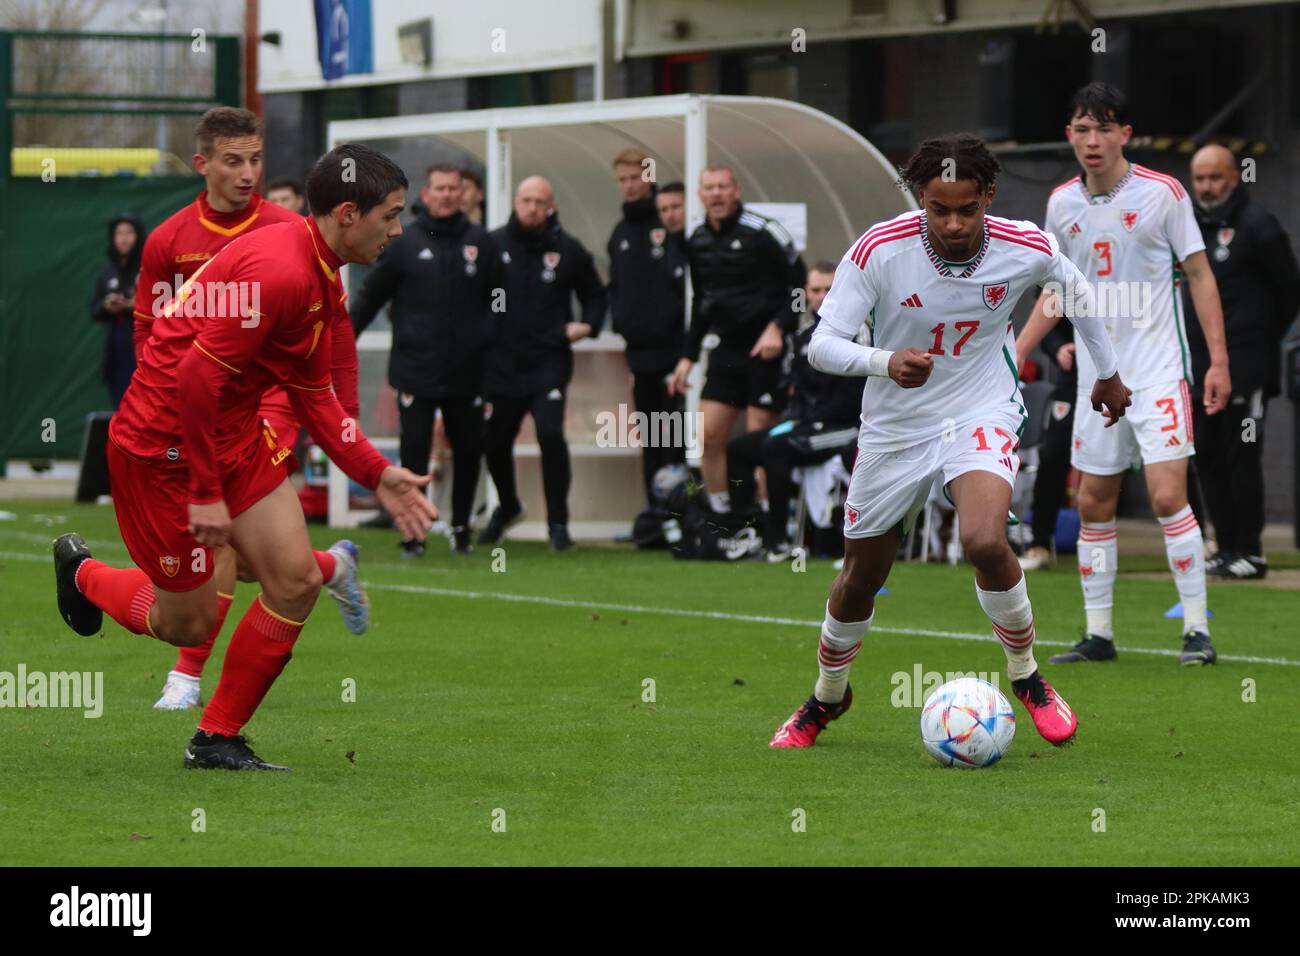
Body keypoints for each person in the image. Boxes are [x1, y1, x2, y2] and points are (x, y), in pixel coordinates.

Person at [53, 144, 437, 771]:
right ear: (347, 212)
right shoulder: (282, 272)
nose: (398, 230)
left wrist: (378, 472)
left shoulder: (318, 264)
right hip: (161, 452)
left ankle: (215, 739)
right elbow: (196, 379)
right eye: (391, 216)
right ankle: (84, 577)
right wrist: (205, 490)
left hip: (229, 436)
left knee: (297, 580)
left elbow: (313, 390)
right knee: (190, 624)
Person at [769, 133, 1130, 751]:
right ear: (920, 199)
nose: (955, 223)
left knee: (985, 540)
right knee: (860, 576)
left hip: (979, 408)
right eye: (940, 209)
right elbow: (821, 347)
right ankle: (829, 695)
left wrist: (1108, 371)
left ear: (988, 196)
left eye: (968, 208)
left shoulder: (1024, 244)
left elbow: (1078, 293)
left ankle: (1028, 678)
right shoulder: (879, 250)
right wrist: (885, 362)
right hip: (895, 426)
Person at [132, 106, 362, 712]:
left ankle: (188, 683)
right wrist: (156, 410)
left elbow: (334, 331)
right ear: (203, 164)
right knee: (256, 557)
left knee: (230, 543)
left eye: (256, 160)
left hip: (270, 404)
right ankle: (333, 569)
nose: (247, 174)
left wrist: (347, 417)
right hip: (194, 400)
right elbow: (151, 333)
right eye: (233, 161)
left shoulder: (289, 231)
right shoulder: (168, 241)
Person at [1016, 83, 1230, 666]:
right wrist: (1015, 351)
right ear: (1069, 135)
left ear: (1125, 135)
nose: (1093, 141)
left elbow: (1201, 275)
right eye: (1082, 129)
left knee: (1166, 496)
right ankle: (1100, 635)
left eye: (1104, 129)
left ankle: (1195, 631)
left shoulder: (1165, 194)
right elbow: (1055, 291)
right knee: (1093, 502)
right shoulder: (1061, 205)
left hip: (1160, 372)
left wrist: (1218, 360)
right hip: (1097, 378)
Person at [351, 163, 502, 556]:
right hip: (415, 370)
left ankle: (461, 528)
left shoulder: (482, 242)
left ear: (465, 193)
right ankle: (413, 534)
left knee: (469, 451)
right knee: (414, 453)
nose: (448, 194)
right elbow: (370, 297)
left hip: (467, 372)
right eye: (440, 188)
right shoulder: (404, 242)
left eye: (455, 188)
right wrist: (342, 339)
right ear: (427, 194)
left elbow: (500, 300)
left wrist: (491, 338)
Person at [1184, 143, 1300, 579]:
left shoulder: (1258, 226)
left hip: (1246, 372)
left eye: (1216, 177)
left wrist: (1258, 343)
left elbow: (1290, 290)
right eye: (1200, 179)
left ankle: (1251, 551)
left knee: (1243, 453)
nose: (1207, 187)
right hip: (1198, 369)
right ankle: (1226, 546)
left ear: (1235, 176)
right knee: (1208, 456)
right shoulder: (1191, 227)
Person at [478, 176, 606, 551]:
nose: (532, 208)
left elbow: (596, 295)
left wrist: (587, 326)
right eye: (526, 200)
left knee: (550, 436)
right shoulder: (493, 244)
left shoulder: (568, 250)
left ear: (552, 207)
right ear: (516, 202)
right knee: (494, 440)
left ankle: (559, 525)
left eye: (540, 202)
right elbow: (471, 294)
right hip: (502, 362)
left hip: (548, 360)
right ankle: (509, 506)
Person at [669, 166, 806, 515]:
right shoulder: (696, 240)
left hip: (766, 348)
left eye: (722, 187)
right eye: (709, 188)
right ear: (700, 195)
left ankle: (769, 518)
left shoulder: (764, 232)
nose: (716, 194)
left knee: (760, 436)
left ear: (736, 190)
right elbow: (702, 301)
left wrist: (779, 327)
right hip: (726, 349)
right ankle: (722, 517)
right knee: (709, 434)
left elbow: (798, 283)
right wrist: (688, 356)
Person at [727, 261, 863, 559]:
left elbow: (851, 398)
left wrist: (804, 422)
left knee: (777, 447)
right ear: (806, 294)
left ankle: (778, 542)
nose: (822, 296)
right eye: (815, 290)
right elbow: (797, 392)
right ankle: (749, 530)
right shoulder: (803, 338)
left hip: (844, 429)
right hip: (805, 425)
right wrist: (794, 419)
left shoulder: (858, 334)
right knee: (739, 448)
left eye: (829, 289)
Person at [606, 150, 687, 510]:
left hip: (673, 350)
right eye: (622, 179)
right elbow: (616, 287)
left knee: (676, 432)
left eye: (634, 177)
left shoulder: (668, 223)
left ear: (649, 177)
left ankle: (681, 510)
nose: (628, 185)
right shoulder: (620, 232)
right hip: (639, 352)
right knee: (651, 433)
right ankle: (656, 512)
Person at [1017, 319, 1078, 570]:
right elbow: (1049, 306)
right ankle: (1040, 544)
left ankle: (1200, 536)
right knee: (1052, 455)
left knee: (1167, 456)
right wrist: (1058, 347)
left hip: (1133, 375)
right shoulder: (1068, 280)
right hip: (1074, 380)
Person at [90, 215, 145, 408]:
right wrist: (108, 304)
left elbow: (164, 305)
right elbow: (94, 309)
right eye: (119, 233)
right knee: (121, 407)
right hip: (116, 351)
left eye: (129, 233)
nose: (124, 238)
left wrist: (132, 305)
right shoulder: (107, 271)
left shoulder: (147, 266)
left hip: (142, 348)